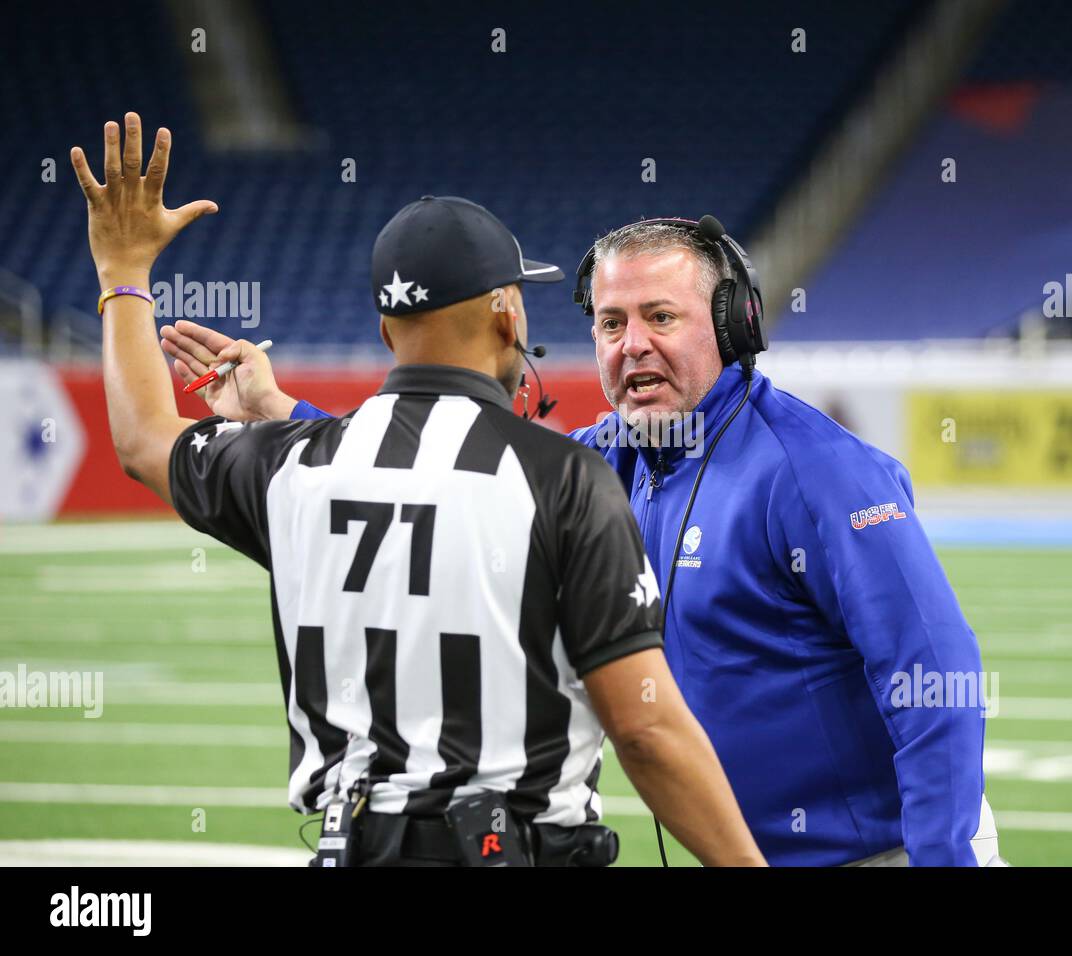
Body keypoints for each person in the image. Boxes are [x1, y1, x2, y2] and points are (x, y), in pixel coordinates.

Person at [166, 218, 1003, 867]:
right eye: (610, 323)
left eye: (660, 317)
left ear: (733, 325)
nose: (631, 344)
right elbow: (443, 473)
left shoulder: (821, 472)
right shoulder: (596, 465)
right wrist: (284, 415)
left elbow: (936, 676)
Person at [74, 113, 763, 867]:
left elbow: (142, 439)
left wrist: (123, 273)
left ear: (385, 331)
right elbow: (645, 730)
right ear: (507, 313)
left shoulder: (292, 467)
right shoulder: (563, 477)